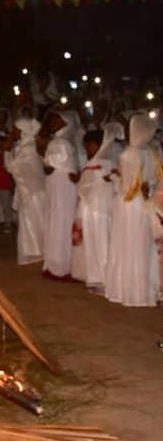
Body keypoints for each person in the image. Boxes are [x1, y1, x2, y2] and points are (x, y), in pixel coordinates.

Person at [105, 114, 161, 306]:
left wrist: (114, 178)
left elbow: (127, 187)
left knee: (127, 245)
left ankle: (126, 290)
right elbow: (153, 179)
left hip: (129, 204)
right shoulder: (153, 152)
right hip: (147, 201)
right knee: (144, 245)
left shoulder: (128, 154)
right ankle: (145, 291)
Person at [73, 126, 120, 292]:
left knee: (95, 244)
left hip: (93, 209)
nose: (86, 149)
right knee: (106, 242)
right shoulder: (112, 162)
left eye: (88, 145)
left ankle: (100, 281)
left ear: (95, 144)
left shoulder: (93, 164)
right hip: (108, 208)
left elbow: (83, 187)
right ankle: (108, 278)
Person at [42, 112, 79, 280]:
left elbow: (49, 165)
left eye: (57, 119)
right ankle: (58, 264)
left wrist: (46, 160)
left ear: (66, 123)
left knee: (59, 221)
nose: (52, 122)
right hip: (59, 184)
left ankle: (58, 265)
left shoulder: (60, 142)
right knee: (60, 220)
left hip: (61, 185)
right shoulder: (60, 141)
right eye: (52, 119)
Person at [5, 118, 46, 265]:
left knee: (32, 221)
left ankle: (36, 252)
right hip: (30, 189)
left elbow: (11, 167)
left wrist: (6, 149)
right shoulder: (24, 146)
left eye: (15, 130)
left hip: (32, 191)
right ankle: (35, 251)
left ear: (23, 131)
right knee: (32, 221)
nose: (12, 132)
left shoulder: (28, 148)